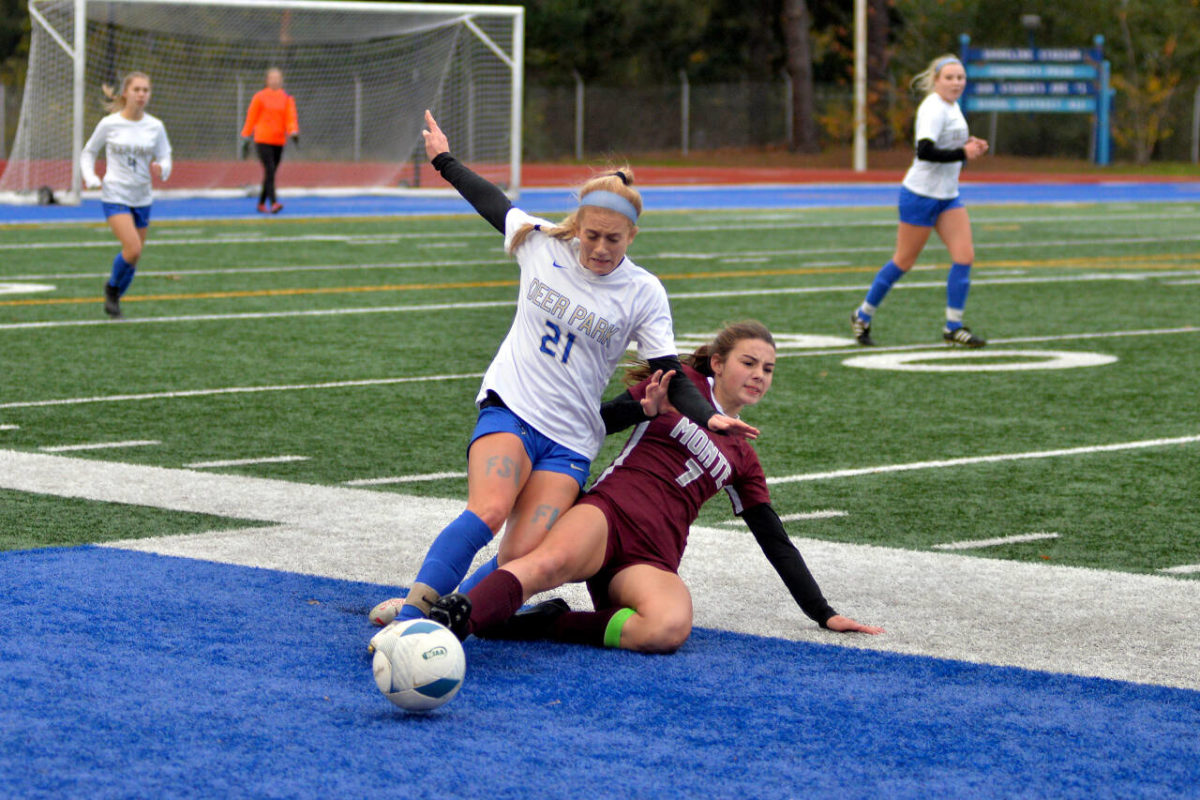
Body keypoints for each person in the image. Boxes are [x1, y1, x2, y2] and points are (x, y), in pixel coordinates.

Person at [378, 110, 759, 628]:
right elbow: (492, 202)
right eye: (592, 235)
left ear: (633, 236)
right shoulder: (540, 244)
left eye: (614, 239)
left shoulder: (643, 291)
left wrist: (709, 417)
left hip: (572, 438)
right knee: (488, 510)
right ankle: (411, 613)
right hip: (513, 406)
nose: (600, 249)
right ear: (577, 225)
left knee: (519, 556)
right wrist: (444, 160)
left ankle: (441, 617)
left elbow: (667, 372)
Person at [421, 321, 883, 652]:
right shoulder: (677, 388)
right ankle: (445, 628)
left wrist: (822, 612)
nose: (760, 374)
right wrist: (643, 408)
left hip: (651, 558)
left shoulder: (745, 456)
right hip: (606, 516)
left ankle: (541, 624)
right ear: (718, 363)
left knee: (667, 628)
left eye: (769, 368)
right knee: (545, 562)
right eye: (749, 362)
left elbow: (774, 539)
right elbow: (595, 422)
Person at [850, 54, 989, 348]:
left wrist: (969, 146)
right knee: (903, 261)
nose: (956, 82)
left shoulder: (953, 106)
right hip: (920, 195)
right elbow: (925, 151)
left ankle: (953, 327)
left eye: (960, 77)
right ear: (936, 81)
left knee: (964, 257)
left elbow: (948, 147)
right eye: (949, 77)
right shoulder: (933, 108)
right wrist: (964, 154)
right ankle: (862, 315)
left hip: (948, 196)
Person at [80, 71, 172, 320]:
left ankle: (115, 299)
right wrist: (91, 178)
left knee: (136, 255)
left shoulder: (155, 126)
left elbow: (165, 157)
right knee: (132, 248)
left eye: (146, 90)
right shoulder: (110, 123)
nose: (141, 94)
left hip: (142, 197)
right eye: (137, 89)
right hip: (115, 194)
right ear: (125, 93)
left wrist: (162, 169)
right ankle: (111, 288)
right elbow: (88, 152)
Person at [240, 67, 299, 214]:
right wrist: (246, 137)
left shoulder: (287, 98)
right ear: (266, 80)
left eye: (277, 77)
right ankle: (273, 203)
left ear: (281, 80)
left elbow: (290, 117)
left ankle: (261, 203)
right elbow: (251, 118)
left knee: (270, 173)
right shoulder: (259, 97)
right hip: (262, 139)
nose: (275, 80)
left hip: (278, 141)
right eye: (272, 77)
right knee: (270, 170)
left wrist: (293, 131)